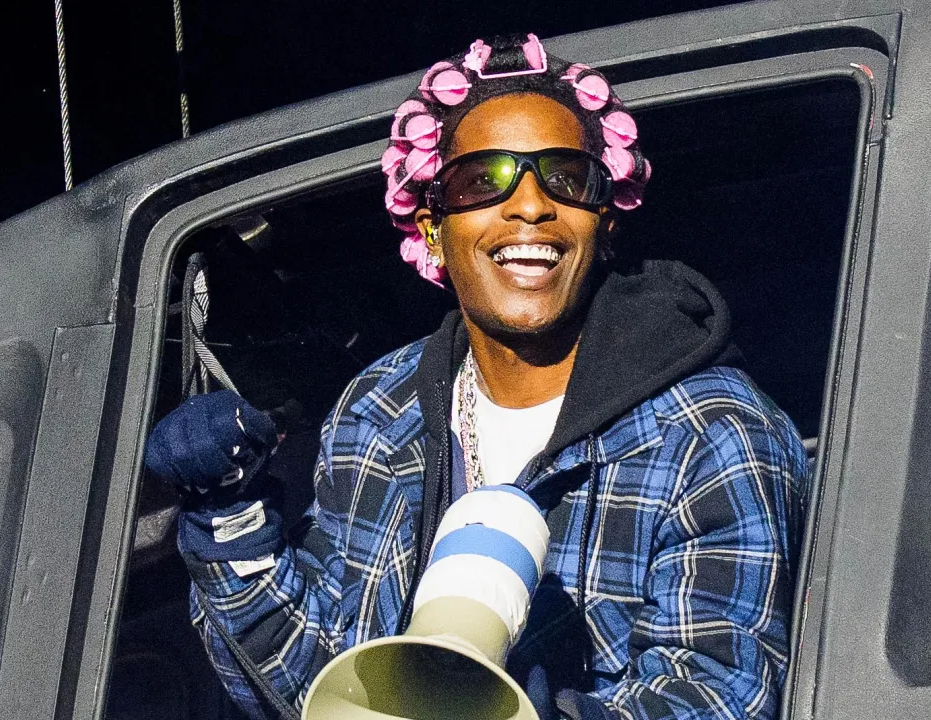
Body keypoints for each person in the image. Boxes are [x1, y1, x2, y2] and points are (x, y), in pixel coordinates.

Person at [145, 33, 808, 720]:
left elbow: (719, 693)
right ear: (432, 227)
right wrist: (229, 521)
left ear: (604, 221)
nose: (530, 206)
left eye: (566, 177)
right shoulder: (378, 411)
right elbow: (319, 687)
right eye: (481, 180)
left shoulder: (712, 436)